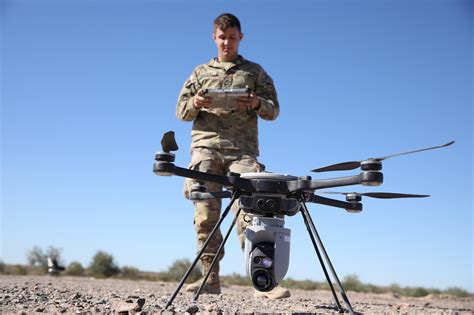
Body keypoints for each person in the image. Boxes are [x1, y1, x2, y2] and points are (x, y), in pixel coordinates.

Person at [176, 13, 290, 299]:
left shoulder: (254, 72)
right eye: (222, 37)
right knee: (204, 213)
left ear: (241, 38)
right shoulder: (200, 73)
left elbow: (274, 110)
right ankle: (209, 279)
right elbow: (181, 111)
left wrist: (256, 102)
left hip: (242, 151)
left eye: (232, 37)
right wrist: (196, 102)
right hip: (206, 148)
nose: (227, 42)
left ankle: (263, 282)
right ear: (214, 38)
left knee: (252, 210)